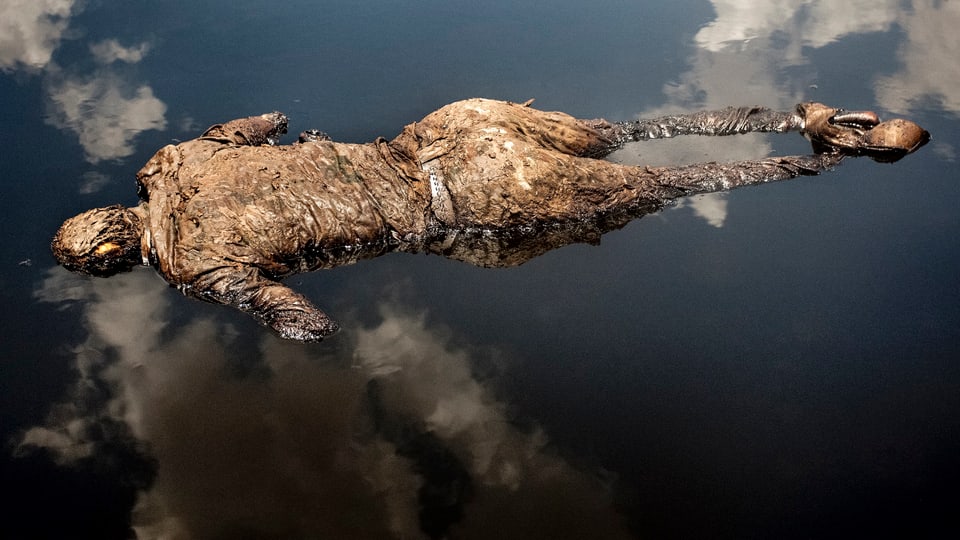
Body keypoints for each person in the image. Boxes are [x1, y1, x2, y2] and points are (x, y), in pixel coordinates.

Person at [51, 98, 928, 341]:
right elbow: (269, 120)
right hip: (451, 131)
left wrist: (283, 324)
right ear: (106, 212)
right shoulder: (172, 161)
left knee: (667, 185)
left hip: (460, 203)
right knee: (623, 133)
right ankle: (797, 116)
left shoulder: (194, 269)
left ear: (116, 259)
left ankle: (821, 160)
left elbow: (306, 323)